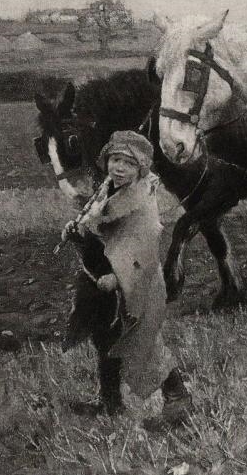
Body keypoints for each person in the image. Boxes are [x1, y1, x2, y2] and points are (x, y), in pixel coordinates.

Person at [61, 130, 192, 429]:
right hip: (102, 282)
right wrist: (77, 234)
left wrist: (117, 280)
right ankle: (110, 403)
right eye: (114, 160)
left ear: (141, 168)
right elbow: (101, 237)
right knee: (105, 340)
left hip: (135, 283)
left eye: (128, 163)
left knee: (143, 342)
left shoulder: (142, 203)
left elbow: (143, 249)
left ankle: (178, 399)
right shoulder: (107, 194)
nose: (118, 168)